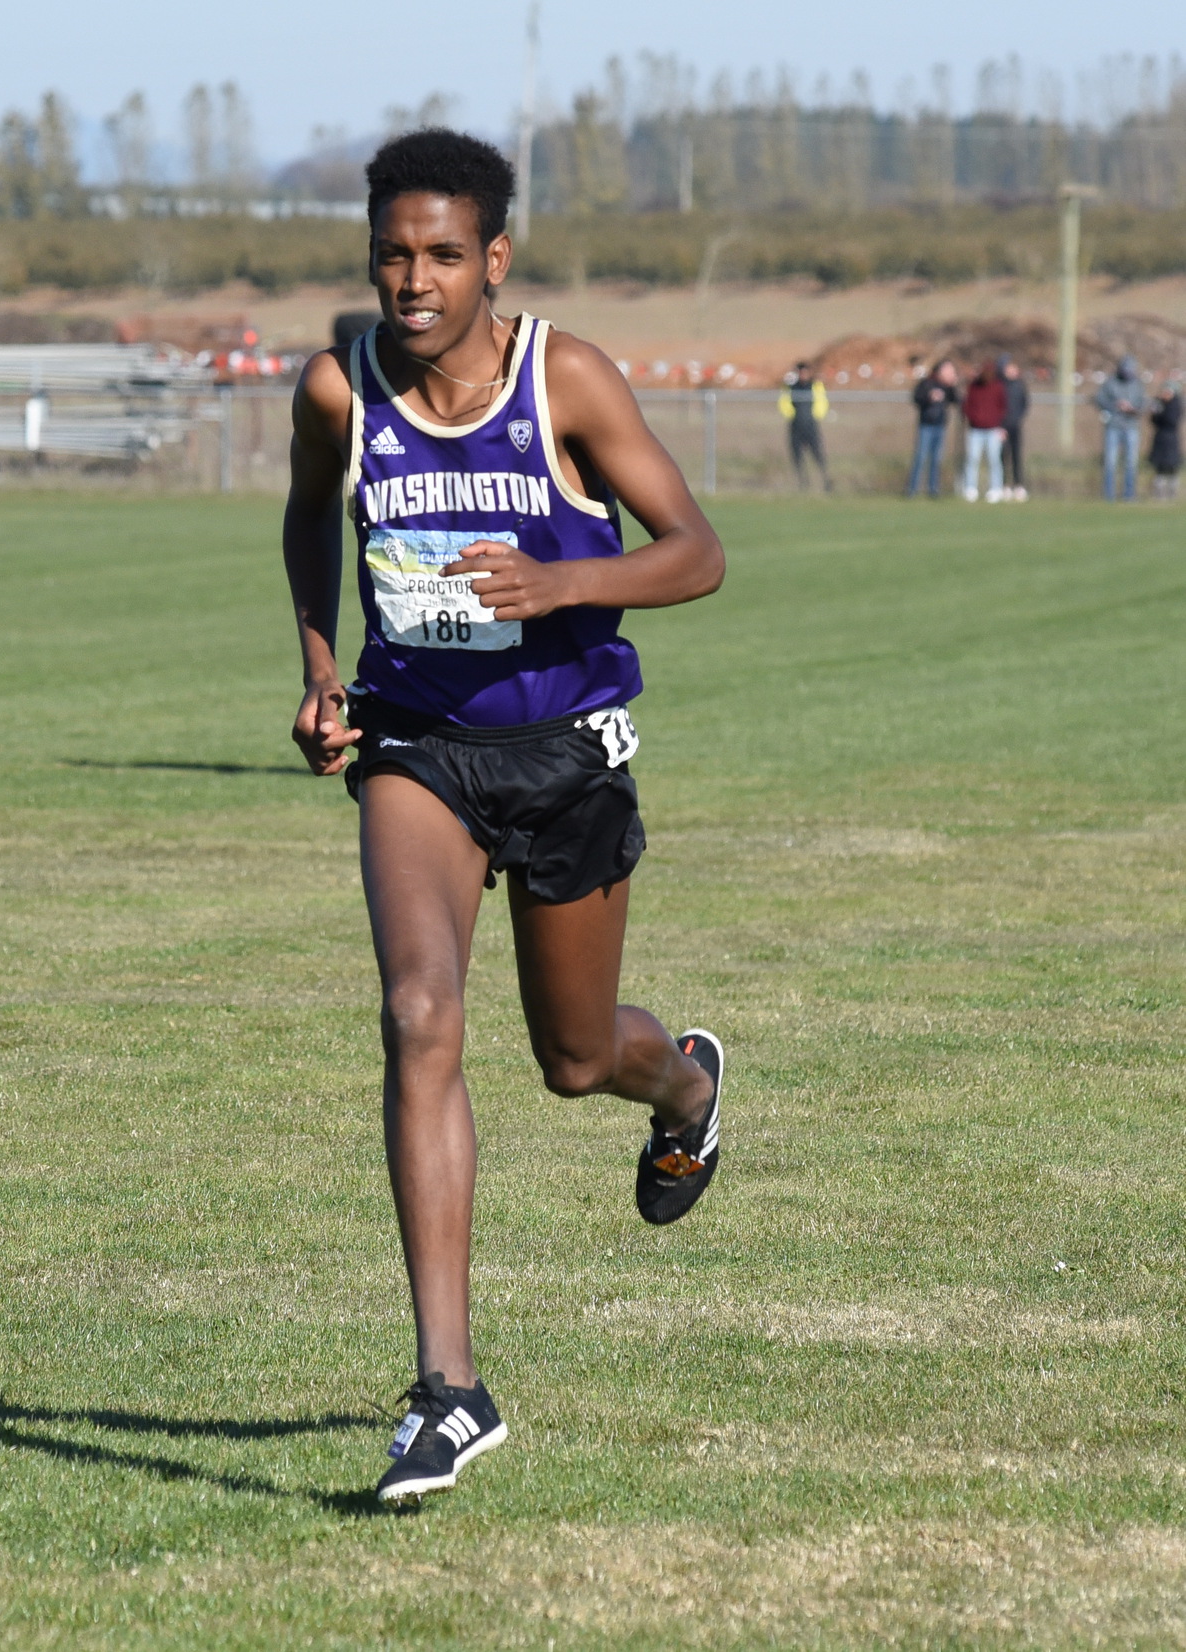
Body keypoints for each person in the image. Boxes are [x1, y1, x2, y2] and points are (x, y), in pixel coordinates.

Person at [283, 128, 726, 1507]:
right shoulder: (340, 389)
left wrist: (562, 582)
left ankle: (688, 1086)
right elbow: (308, 522)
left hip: (567, 751)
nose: (413, 280)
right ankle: (449, 1390)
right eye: (391, 255)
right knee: (419, 1015)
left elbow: (697, 552)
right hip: (417, 746)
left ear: (494, 259)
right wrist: (321, 672)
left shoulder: (563, 377)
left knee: (577, 1059)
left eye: (441, 254)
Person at [1095, 355, 1148, 502]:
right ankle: (1109, 495)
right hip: (1113, 426)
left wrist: (1132, 408)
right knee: (1110, 461)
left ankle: (1129, 494)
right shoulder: (1111, 382)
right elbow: (1099, 398)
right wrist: (1115, 405)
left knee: (1131, 462)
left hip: (1131, 426)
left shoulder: (1137, 384)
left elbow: (1143, 404)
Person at [906, 359, 959, 497]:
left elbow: (956, 400)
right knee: (921, 457)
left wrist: (953, 385)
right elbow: (916, 398)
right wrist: (929, 397)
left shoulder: (947, 386)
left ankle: (933, 489)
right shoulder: (927, 383)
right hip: (926, 425)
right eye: (947, 370)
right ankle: (912, 489)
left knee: (936, 459)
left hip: (940, 426)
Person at [777, 361, 831, 491]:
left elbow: (822, 402)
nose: (803, 375)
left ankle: (826, 480)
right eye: (800, 372)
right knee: (797, 455)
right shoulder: (790, 388)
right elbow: (784, 403)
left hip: (810, 424)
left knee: (817, 453)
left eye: (805, 372)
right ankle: (803, 482)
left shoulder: (815, 386)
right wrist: (791, 414)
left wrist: (815, 416)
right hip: (796, 424)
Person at [961, 361, 1007, 503]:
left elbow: (1003, 407)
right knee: (972, 459)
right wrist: (973, 418)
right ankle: (970, 488)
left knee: (994, 460)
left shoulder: (998, 387)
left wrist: (1001, 426)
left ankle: (996, 488)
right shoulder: (974, 386)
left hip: (993, 429)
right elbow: (967, 405)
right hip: (975, 429)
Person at [998, 354, 1029, 501]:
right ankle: (1004, 485)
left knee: (1017, 457)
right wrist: (999, 425)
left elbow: (1024, 404)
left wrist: (1018, 418)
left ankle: (1019, 485)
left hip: (1015, 425)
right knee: (1003, 457)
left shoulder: (1020, 385)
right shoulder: (1000, 385)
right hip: (1002, 427)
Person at [1148, 382, 1181, 501]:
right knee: (1159, 466)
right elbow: (1153, 420)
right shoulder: (1158, 402)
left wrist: (1160, 412)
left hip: (1171, 438)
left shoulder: (1175, 404)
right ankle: (1159, 494)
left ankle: (1172, 493)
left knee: (1172, 466)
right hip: (1160, 437)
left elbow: (1171, 420)